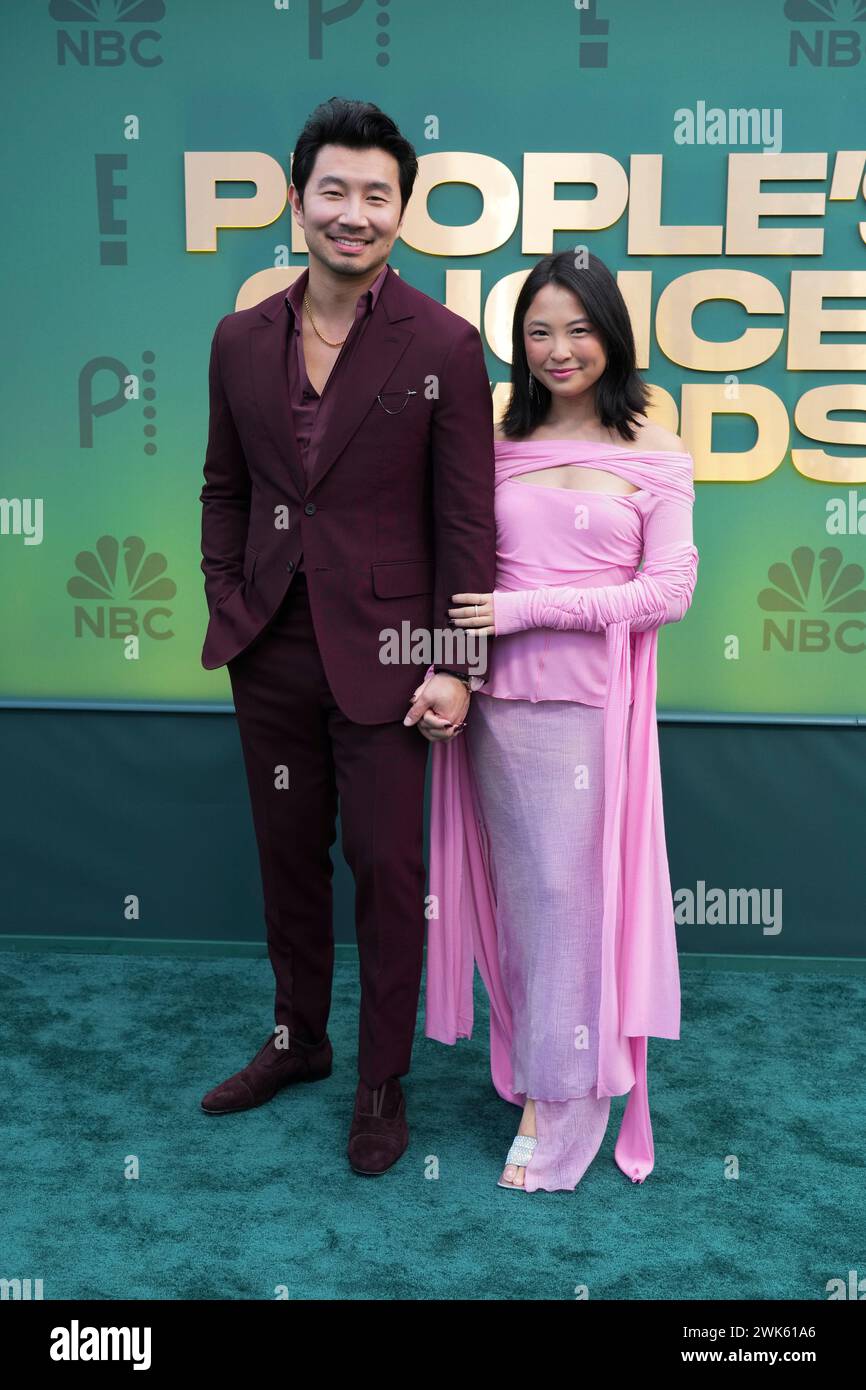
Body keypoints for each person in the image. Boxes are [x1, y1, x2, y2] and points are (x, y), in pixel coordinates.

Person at [198, 97, 496, 1175]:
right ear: (297, 199)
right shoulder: (239, 339)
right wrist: (226, 594)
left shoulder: (446, 345)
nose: (353, 213)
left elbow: (466, 521)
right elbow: (222, 486)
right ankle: (299, 1041)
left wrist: (458, 666)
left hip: (391, 660)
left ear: (402, 212)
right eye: (334, 190)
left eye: (377, 195)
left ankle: (381, 1079)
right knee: (287, 859)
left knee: (382, 866)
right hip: (268, 642)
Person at [422, 250, 699, 1191]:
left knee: (576, 905)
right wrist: (456, 657)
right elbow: (452, 557)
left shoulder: (657, 452)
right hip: (498, 707)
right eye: (538, 331)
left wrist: (530, 608)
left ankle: (567, 1103)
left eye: (578, 328)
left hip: (596, 712)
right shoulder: (492, 442)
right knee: (528, 902)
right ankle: (538, 1070)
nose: (558, 349)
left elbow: (671, 589)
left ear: (612, 335)